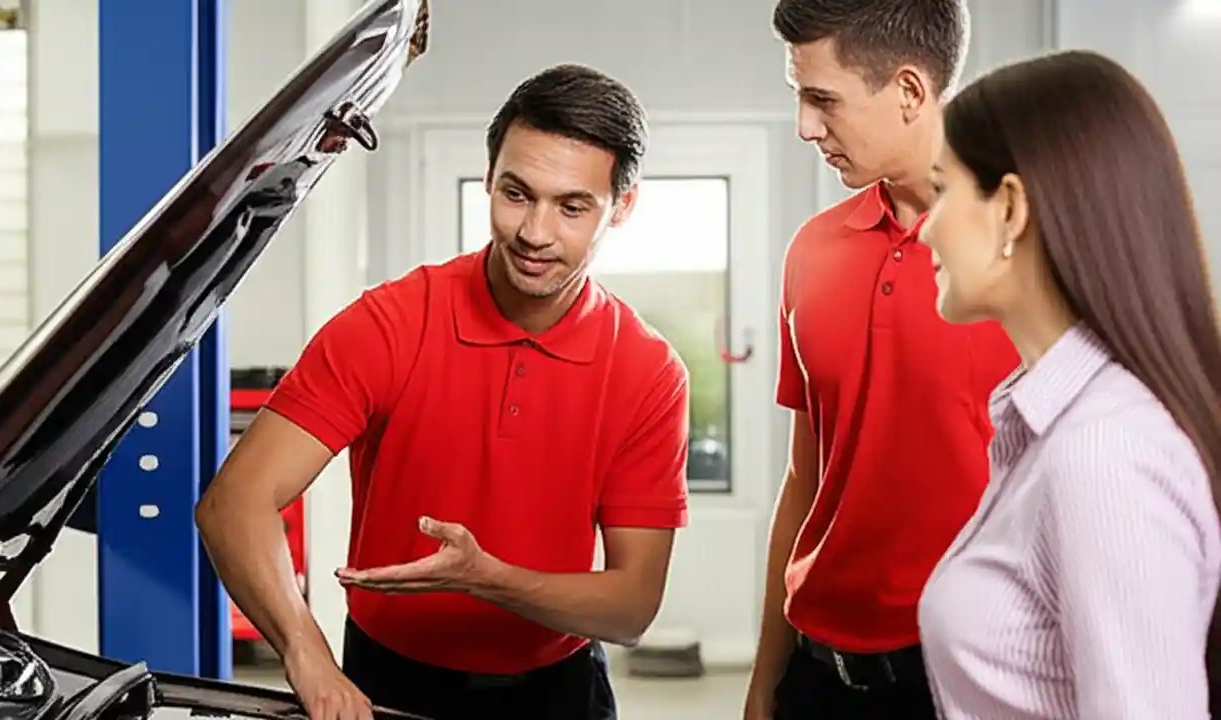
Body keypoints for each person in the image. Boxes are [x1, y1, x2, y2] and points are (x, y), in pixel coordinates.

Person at [195, 63, 691, 720]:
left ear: (620, 208)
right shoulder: (388, 324)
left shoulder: (648, 371)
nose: (536, 233)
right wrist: (305, 653)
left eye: (572, 207)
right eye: (516, 194)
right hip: (385, 684)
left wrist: (487, 579)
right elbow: (233, 506)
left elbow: (630, 610)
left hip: (559, 694)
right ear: (488, 179)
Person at [916, 49, 1221, 719]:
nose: (925, 226)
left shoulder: (1104, 453)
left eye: (942, 190)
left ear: (1010, 209)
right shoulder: (1056, 424)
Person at [744, 2, 1021, 718]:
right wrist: (765, 676)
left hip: (968, 680)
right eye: (799, 98)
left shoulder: (1028, 244)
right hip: (816, 678)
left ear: (907, 91)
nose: (806, 126)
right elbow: (806, 475)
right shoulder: (810, 250)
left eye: (823, 100)